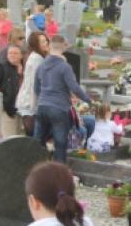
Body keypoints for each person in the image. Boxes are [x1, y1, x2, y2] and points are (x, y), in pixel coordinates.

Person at [34, 34, 92, 163]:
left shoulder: (42, 65)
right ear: (64, 47)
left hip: (42, 106)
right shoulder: (65, 67)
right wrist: (88, 100)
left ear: (49, 46)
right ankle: (58, 174)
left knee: (38, 142)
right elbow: (74, 88)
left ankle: (36, 169)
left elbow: (36, 88)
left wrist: (43, 99)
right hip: (59, 108)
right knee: (60, 144)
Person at [16, 31, 49, 136]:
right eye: (43, 42)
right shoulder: (36, 59)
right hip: (30, 103)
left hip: (32, 102)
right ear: (36, 44)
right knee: (33, 137)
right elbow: (34, 84)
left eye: (46, 41)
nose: (46, 44)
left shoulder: (38, 57)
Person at [0, 44, 24, 138]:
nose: (12, 55)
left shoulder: (25, 69)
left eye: (16, 53)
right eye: (10, 53)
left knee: (21, 139)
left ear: (21, 56)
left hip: (22, 110)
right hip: (7, 110)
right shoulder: (1, 68)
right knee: (9, 138)